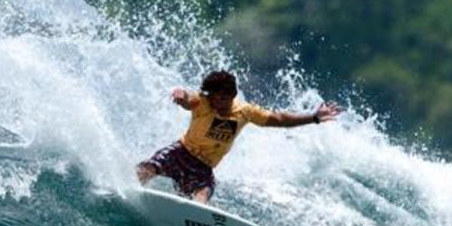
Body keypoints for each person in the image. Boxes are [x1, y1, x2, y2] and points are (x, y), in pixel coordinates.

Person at [136, 70, 341, 203]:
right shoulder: (203, 102)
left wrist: (314, 118)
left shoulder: (245, 112)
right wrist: (180, 95)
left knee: (204, 192)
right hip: (181, 152)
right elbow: (188, 97)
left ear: (233, 96)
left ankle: (193, 219)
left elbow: (279, 119)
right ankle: (128, 190)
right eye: (213, 98)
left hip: (203, 167)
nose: (217, 103)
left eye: (222, 99)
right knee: (149, 168)